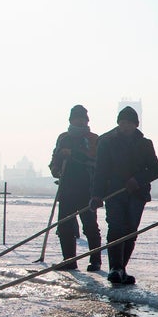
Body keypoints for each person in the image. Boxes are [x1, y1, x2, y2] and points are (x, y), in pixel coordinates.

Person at [91, 106, 158, 287]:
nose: (125, 126)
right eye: (122, 123)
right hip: (114, 193)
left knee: (131, 230)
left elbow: (156, 169)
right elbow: (100, 171)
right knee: (116, 228)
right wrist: (97, 195)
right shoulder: (107, 142)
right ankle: (115, 268)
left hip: (137, 194)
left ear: (136, 125)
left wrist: (138, 179)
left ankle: (122, 267)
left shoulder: (145, 144)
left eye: (129, 123)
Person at [48, 104, 101, 270]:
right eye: (77, 119)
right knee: (65, 225)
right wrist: (56, 169)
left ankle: (95, 260)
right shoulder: (63, 138)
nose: (80, 122)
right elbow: (54, 160)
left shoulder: (93, 139)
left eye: (83, 119)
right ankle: (69, 260)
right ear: (71, 120)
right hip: (67, 188)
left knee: (90, 225)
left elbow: (94, 160)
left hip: (87, 188)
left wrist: (72, 154)